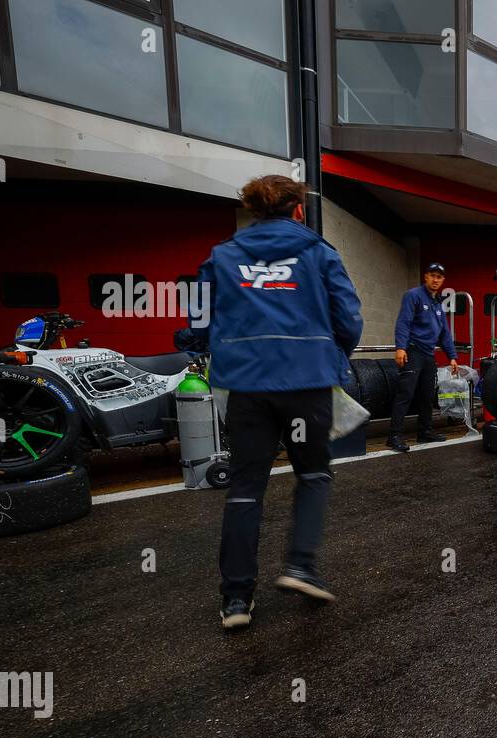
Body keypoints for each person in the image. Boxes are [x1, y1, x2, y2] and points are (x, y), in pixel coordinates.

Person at [196, 174, 363, 631]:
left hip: (246, 387)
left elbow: (198, 319)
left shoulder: (221, 255)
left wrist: (201, 346)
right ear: (299, 209)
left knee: (245, 488)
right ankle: (300, 566)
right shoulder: (320, 252)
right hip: (307, 382)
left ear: (253, 210)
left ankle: (236, 599)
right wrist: (332, 354)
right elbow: (349, 318)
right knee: (313, 474)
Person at [389, 263, 460, 453]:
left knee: (427, 396)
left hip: (428, 355)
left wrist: (452, 356)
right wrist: (400, 347)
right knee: (405, 394)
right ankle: (394, 435)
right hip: (413, 351)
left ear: (443, 280)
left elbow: (444, 333)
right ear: (426, 277)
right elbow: (403, 322)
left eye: (439, 277)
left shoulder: (438, 304)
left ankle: (425, 431)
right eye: (432, 275)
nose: (436, 280)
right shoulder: (413, 296)